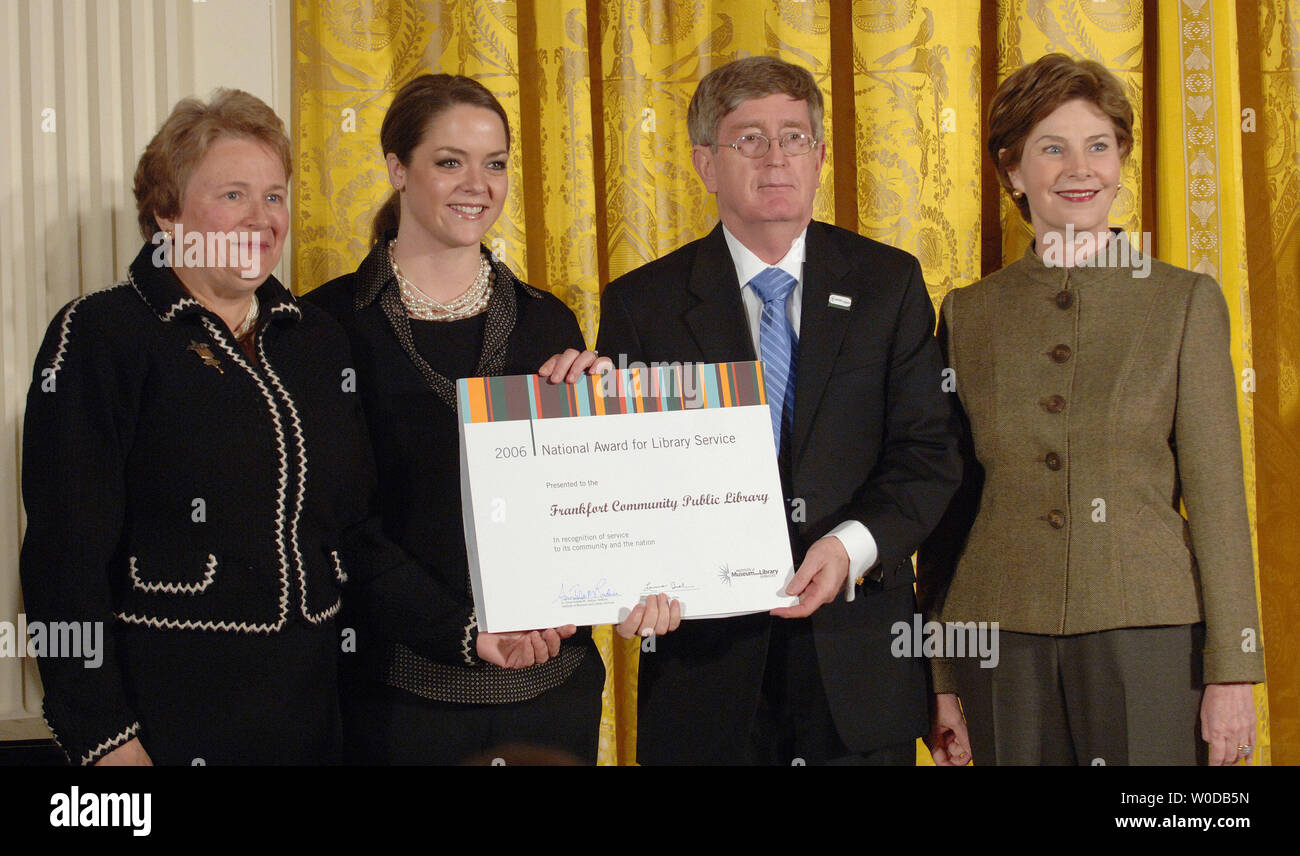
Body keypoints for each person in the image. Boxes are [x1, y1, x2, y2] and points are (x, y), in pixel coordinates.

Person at [596, 55, 962, 765]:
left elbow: (930, 454)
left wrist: (847, 547)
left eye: (794, 137)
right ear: (706, 163)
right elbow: (627, 487)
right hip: (707, 675)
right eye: (749, 139)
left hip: (860, 667)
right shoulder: (642, 304)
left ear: (820, 156)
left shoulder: (889, 284)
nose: (775, 159)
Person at [918, 53, 1266, 766]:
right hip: (999, 643)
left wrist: (1232, 667)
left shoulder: (1183, 303)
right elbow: (950, 505)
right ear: (1013, 171)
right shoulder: (968, 313)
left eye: (1099, 146)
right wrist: (942, 671)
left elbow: (1219, 499)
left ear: (1121, 161)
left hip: (1151, 637)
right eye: (1053, 147)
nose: (1081, 169)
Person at [19, 90, 378, 764]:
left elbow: (352, 530)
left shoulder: (319, 341)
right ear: (167, 212)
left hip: (312, 720)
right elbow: (63, 560)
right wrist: (103, 738)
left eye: (275, 197)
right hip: (163, 725)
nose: (263, 218)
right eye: (234, 195)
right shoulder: (101, 334)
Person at [306, 74, 606, 765]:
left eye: (495, 163)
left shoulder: (548, 319)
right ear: (396, 170)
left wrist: (610, 419)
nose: (479, 184)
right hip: (399, 703)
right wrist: (463, 630)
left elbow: (579, 506)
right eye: (450, 162)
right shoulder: (325, 325)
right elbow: (338, 525)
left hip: (551, 697)